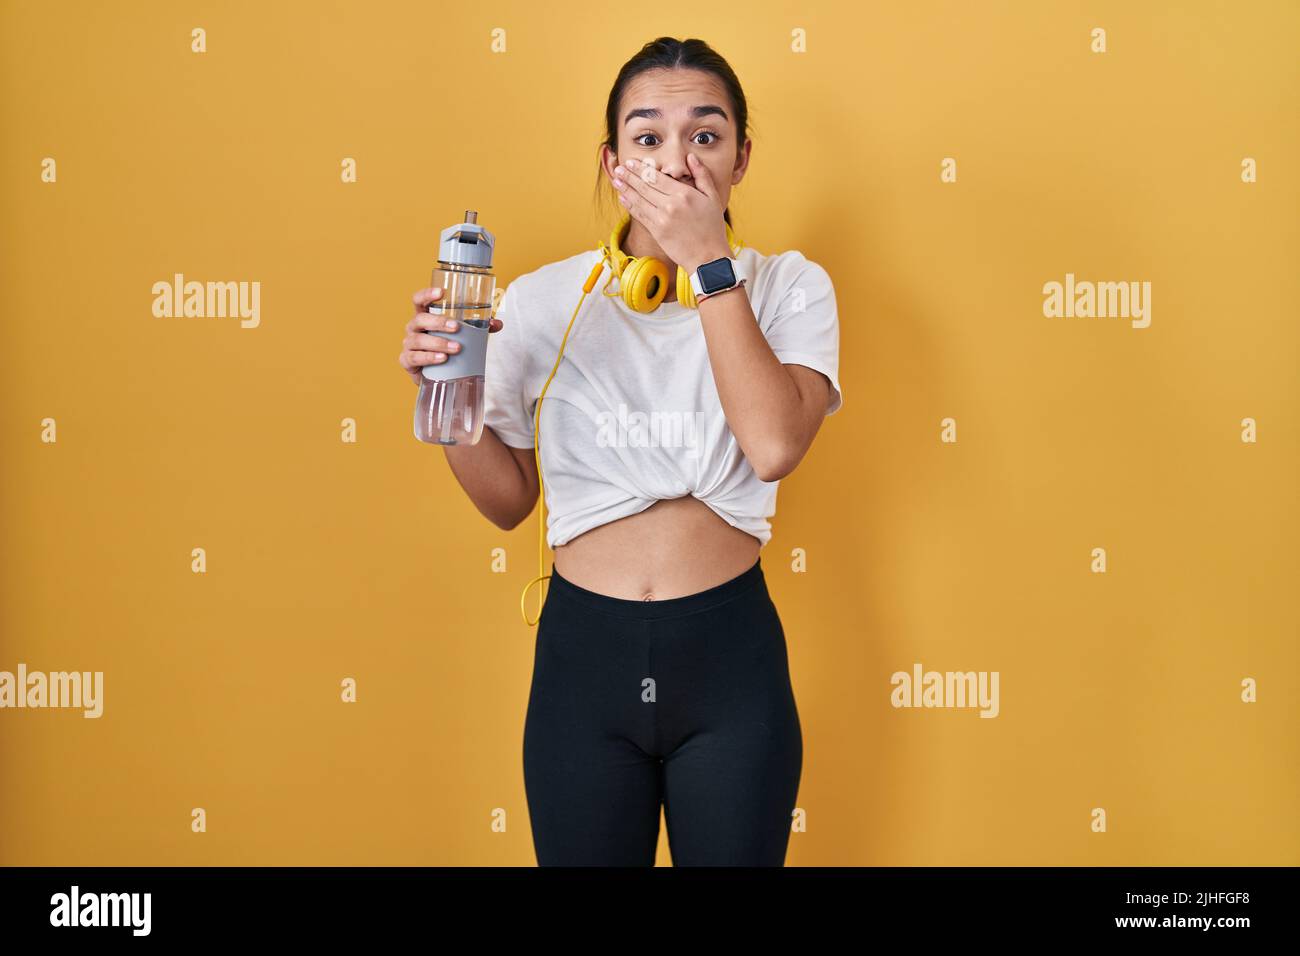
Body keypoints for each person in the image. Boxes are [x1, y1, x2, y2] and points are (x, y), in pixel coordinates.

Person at [398, 36, 842, 866]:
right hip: (581, 664)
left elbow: (775, 444)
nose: (677, 161)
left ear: (742, 157)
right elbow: (506, 503)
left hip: (729, 660)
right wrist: (444, 393)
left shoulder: (789, 287)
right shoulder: (543, 301)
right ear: (613, 163)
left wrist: (708, 258)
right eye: (647, 137)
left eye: (705, 136)